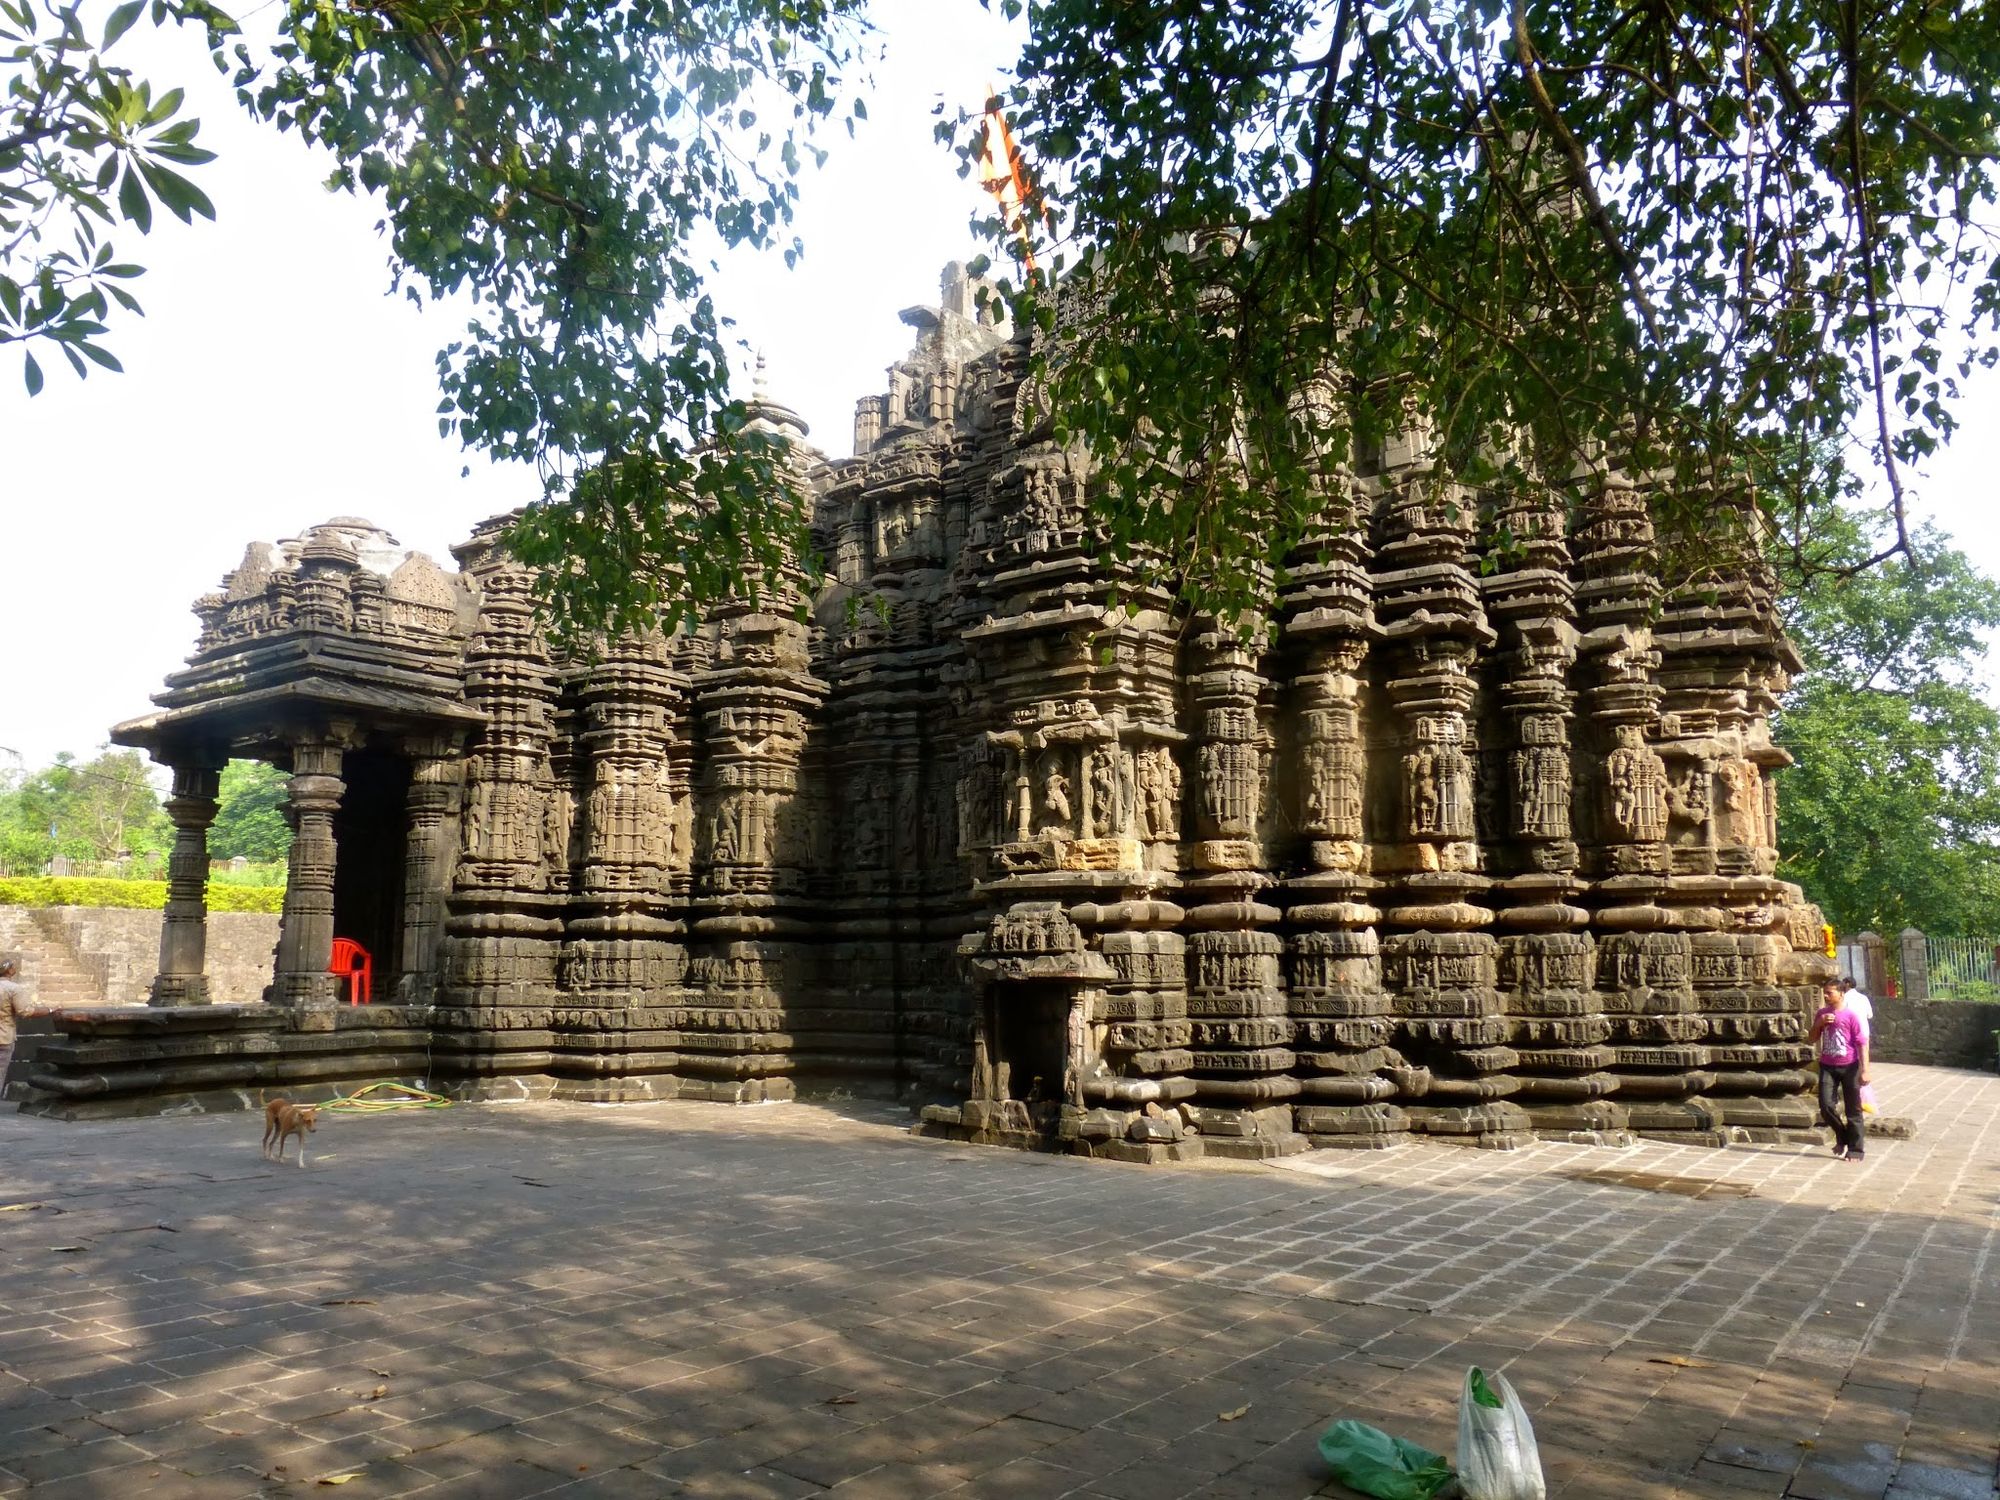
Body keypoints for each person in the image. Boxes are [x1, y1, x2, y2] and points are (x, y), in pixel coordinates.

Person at [1810, 978, 1869, 1161]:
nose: (1826, 996)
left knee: (1853, 1109)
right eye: (1825, 992)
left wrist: (1865, 1069)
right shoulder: (1822, 1013)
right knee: (1826, 1106)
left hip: (1850, 1066)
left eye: (1830, 992)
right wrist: (1819, 1024)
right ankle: (1842, 1135)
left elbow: (1862, 1043)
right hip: (1828, 1065)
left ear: (1841, 993)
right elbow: (1811, 1038)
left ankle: (1856, 1149)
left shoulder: (1851, 1016)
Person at [0, 956, 50, 1091]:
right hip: (3, 1038)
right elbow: (25, 1012)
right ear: (10, 971)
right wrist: (49, 1010)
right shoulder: (13, 989)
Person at [1839, 972, 1875, 1046]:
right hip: (1864, 1031)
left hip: (1850, 1033)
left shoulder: (1844, 998)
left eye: (1843, 984)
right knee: (1864, 1055)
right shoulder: (1864, 998)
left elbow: (1841, 1014)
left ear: (1847, 984)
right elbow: (1870, 1015)